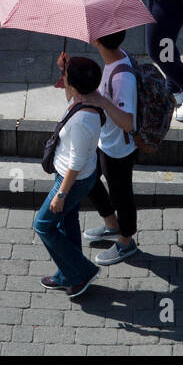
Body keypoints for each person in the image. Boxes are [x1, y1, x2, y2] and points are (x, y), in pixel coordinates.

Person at [58, 31, 141, 265]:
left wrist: (102, 101)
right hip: (104, 140)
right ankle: (111, 225)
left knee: (121, 195)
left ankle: (126, 241)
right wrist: (66, 73)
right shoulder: (113, 59)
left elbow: (129, 123)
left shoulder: (121, 77)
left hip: (119, 149)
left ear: (96, 41)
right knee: (90, 180)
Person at [33, 55, 105, 298]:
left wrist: (61, 193)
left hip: (72, 181)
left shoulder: (83, 120)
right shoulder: (83, 100)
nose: (62, 82)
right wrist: (65, 70)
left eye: (65, 78)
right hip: (72, 177)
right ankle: (68, 274)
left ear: (73, 85)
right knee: (66, 221)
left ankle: (81, 271)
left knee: (43, 225)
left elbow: (77, 160)